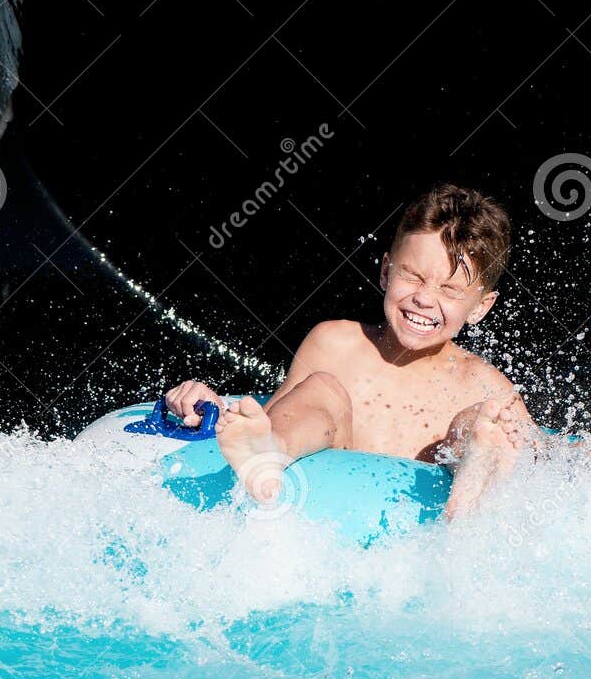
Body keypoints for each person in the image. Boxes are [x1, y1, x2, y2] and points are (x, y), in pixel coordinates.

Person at [165, 183, 535, 517]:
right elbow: (277, 411)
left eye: (450, 290)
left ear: (481, 307)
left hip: (419, 537)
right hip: (327, 514)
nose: (424, 298)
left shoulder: (487, 386)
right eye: (413, 276)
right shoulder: (335, 342)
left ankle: (475, 483)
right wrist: (212, 411)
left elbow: (548, 460)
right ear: (386, 271)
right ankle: (267, 452)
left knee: (478, 423)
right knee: (323, 387)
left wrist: (587, 454)